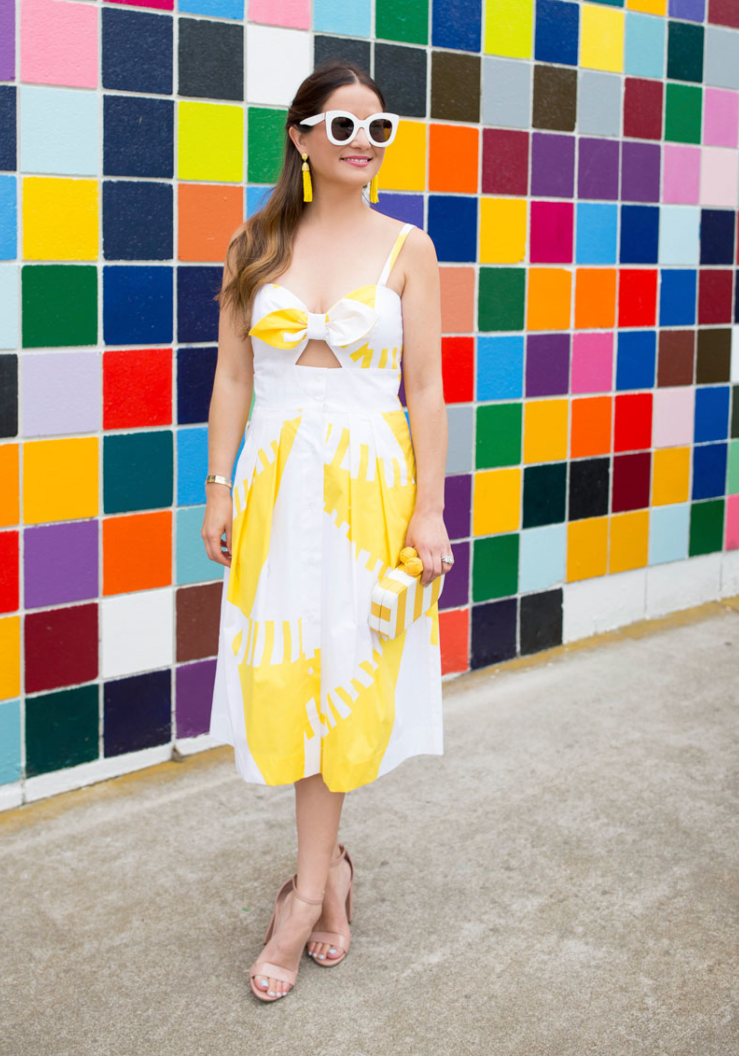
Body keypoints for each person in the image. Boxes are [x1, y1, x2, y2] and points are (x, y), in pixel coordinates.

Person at [202, 61, 452, 1001]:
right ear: (301, 137)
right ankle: (329, 874)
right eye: (342, 126)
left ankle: (306, 896)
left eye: (378, 128)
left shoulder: (408, 248)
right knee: (284, 674)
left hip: (368, 494)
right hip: (274, 488)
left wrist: (429, 507)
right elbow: (233, 378)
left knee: (342, 679)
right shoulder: (254, 243)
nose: (362, 142)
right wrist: (217, 489)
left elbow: (423, 386)